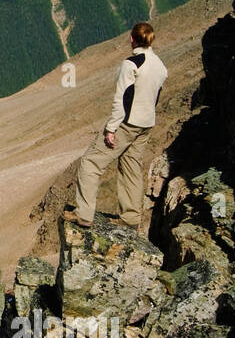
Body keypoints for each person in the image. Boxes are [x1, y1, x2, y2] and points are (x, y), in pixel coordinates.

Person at [64, 21, 168, 231]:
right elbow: (155, 95)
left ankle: (83, 215)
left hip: (127, 124)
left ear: (132, 39)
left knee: (90, 163)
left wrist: (111, 128)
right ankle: (131, 219)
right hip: (146, 124)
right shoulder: (160, 66)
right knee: (131, 167)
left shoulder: (131, 64)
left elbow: (122, 99)